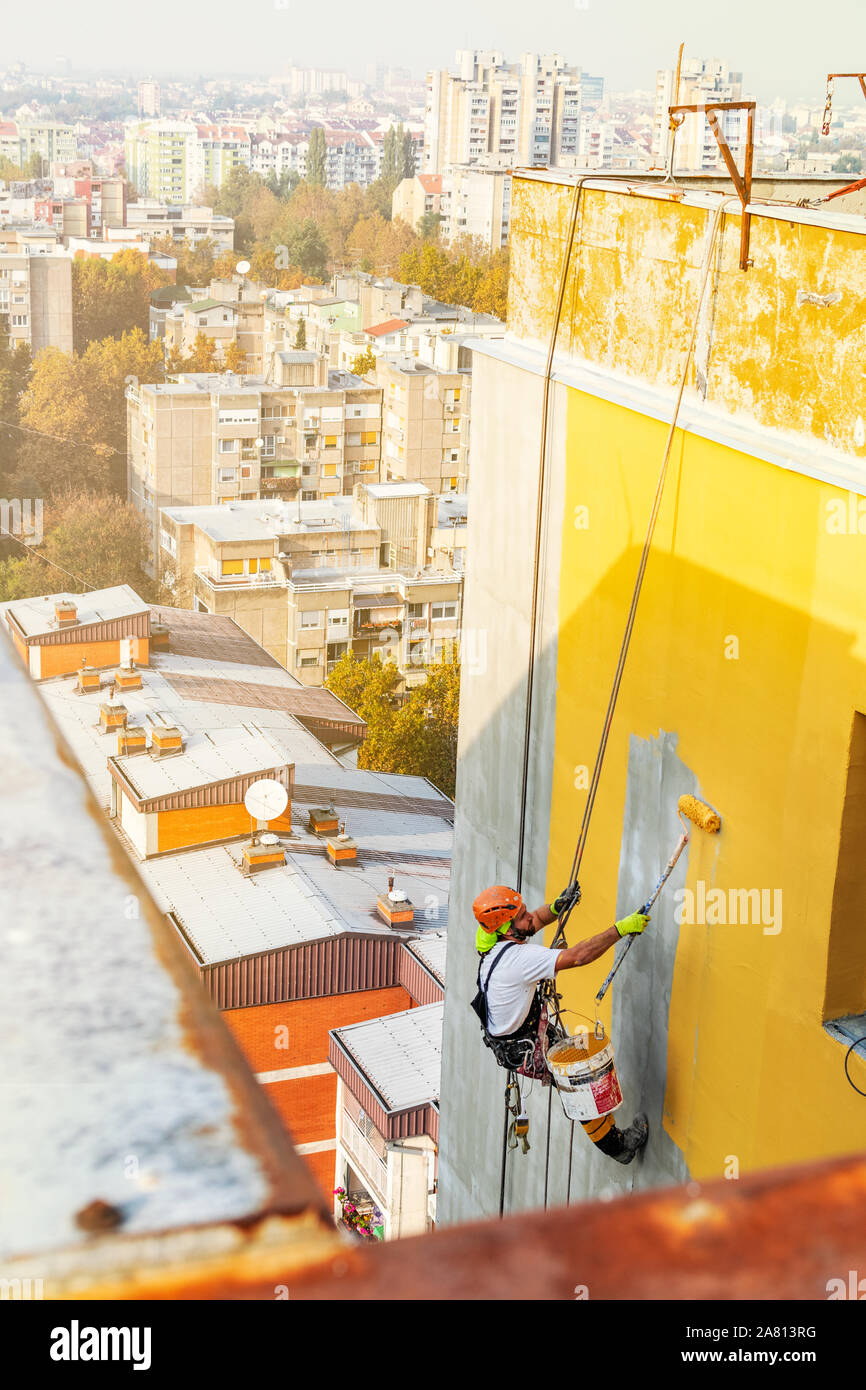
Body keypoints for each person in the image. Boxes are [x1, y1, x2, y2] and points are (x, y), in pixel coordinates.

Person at [473, 883, 650, 1165]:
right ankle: (618, 1147)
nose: (529, 915)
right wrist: (621, 929)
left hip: (518, 1035)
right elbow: (579, 956)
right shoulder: (518, 959)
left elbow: (534, 922)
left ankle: (609, 1130)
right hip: (526, 1044)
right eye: (521, 915)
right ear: (506, 928)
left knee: (579, 1078)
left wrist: (556, 907)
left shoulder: (494, 940)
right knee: (580, 1083)